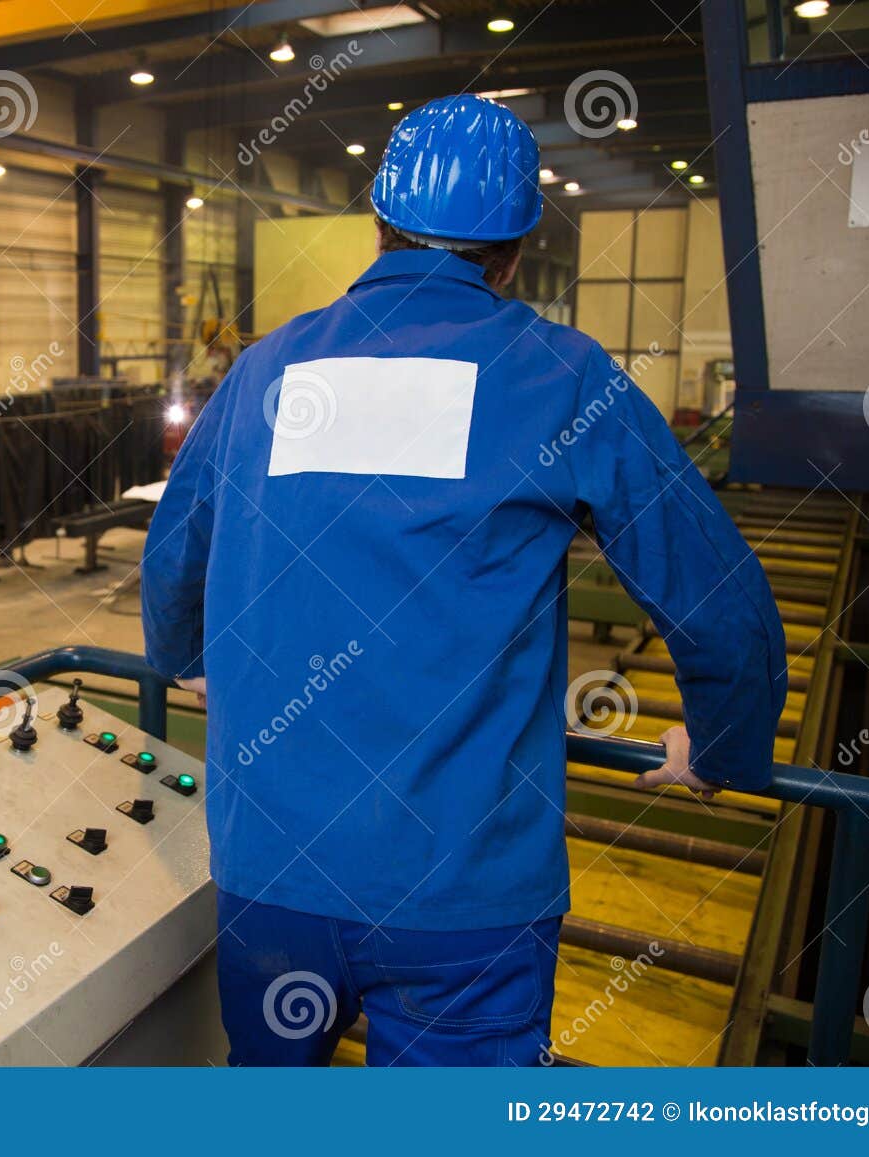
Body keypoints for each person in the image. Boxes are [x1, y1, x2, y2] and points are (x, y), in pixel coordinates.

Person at [140, 94, 786, 1067]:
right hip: (463, 900)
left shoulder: (266, 369)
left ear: (377, 224)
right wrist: (726, 743)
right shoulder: (561, 376)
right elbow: (718, 600)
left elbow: (173, 554)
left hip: (272, 874)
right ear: (517, 248)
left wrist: (184, 657)